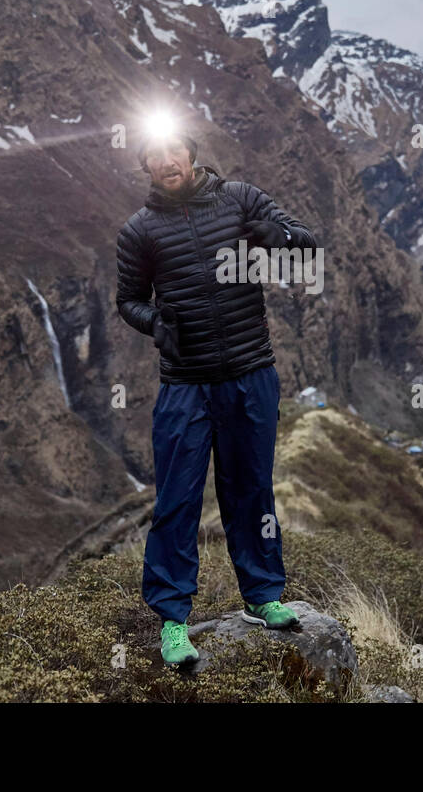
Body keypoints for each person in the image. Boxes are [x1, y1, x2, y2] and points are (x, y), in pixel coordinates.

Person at [115, 130, 318, 665]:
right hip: (184, 384)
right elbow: (128, 301)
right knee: (176, 501)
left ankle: (263, 596)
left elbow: (308, 244)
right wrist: (154, 321)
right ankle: (173, 621)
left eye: (171, 151)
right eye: (153, 157)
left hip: (251, 375)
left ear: (190, 152)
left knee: (251, 491)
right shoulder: (139, 231)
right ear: (146, 168)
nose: (165, 162)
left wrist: (279, 235)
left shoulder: (242, 199)